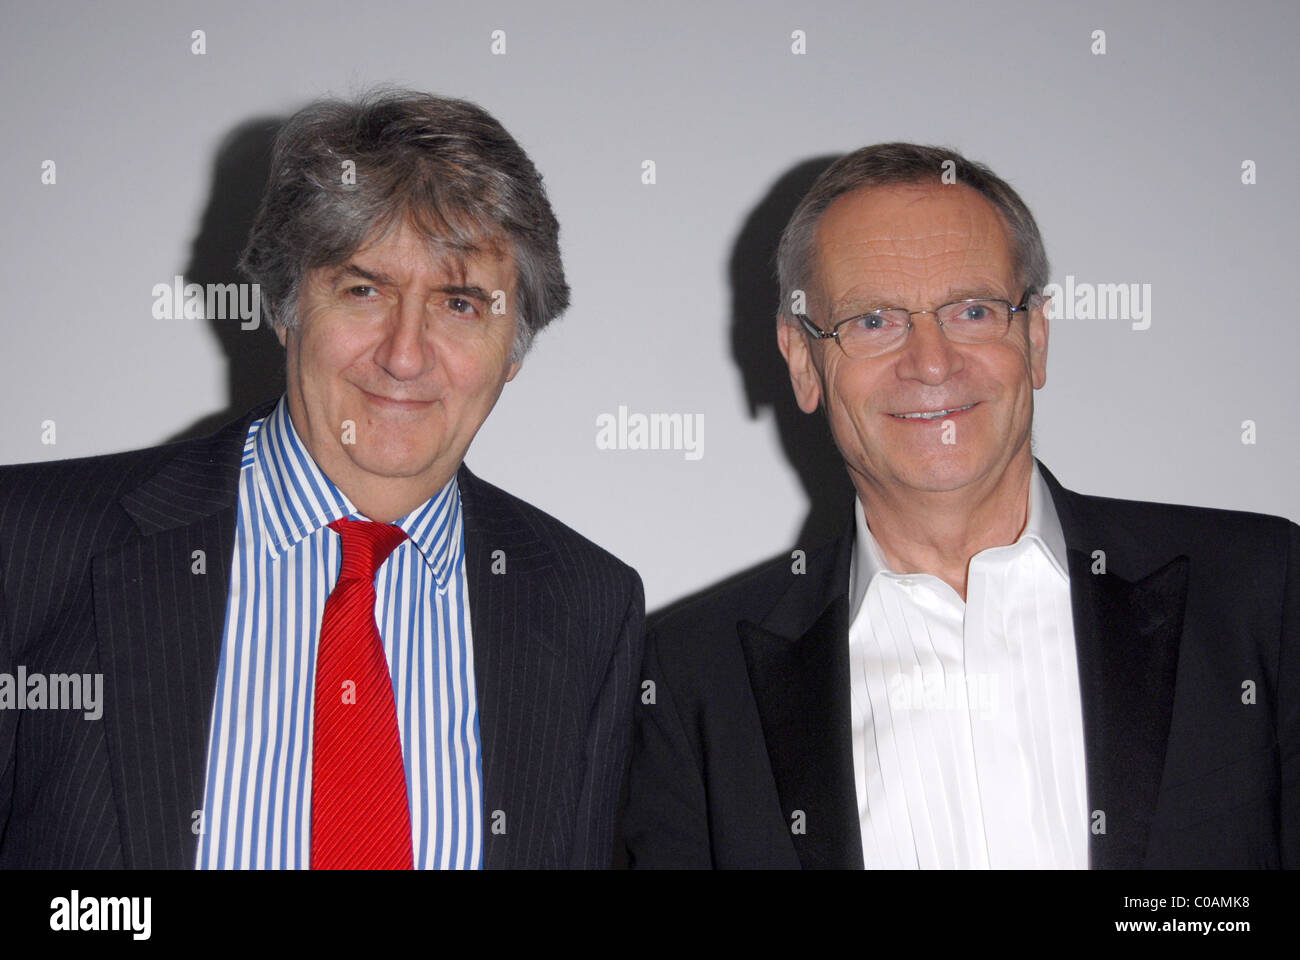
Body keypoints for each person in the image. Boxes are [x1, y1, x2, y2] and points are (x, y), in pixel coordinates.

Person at [0, 90, 644, 869]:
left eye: (461, 303)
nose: (405, 355)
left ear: (515, 348)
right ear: (284, 304)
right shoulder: (28, 544)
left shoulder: (588, 607)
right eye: (364, 289)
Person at [620, 142, 1298, 869]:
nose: (933, 362)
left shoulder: (1262, 592)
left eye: (973, 310)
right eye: (874, 320)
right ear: (802, 361)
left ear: (1035, 336)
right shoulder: (690, 682)